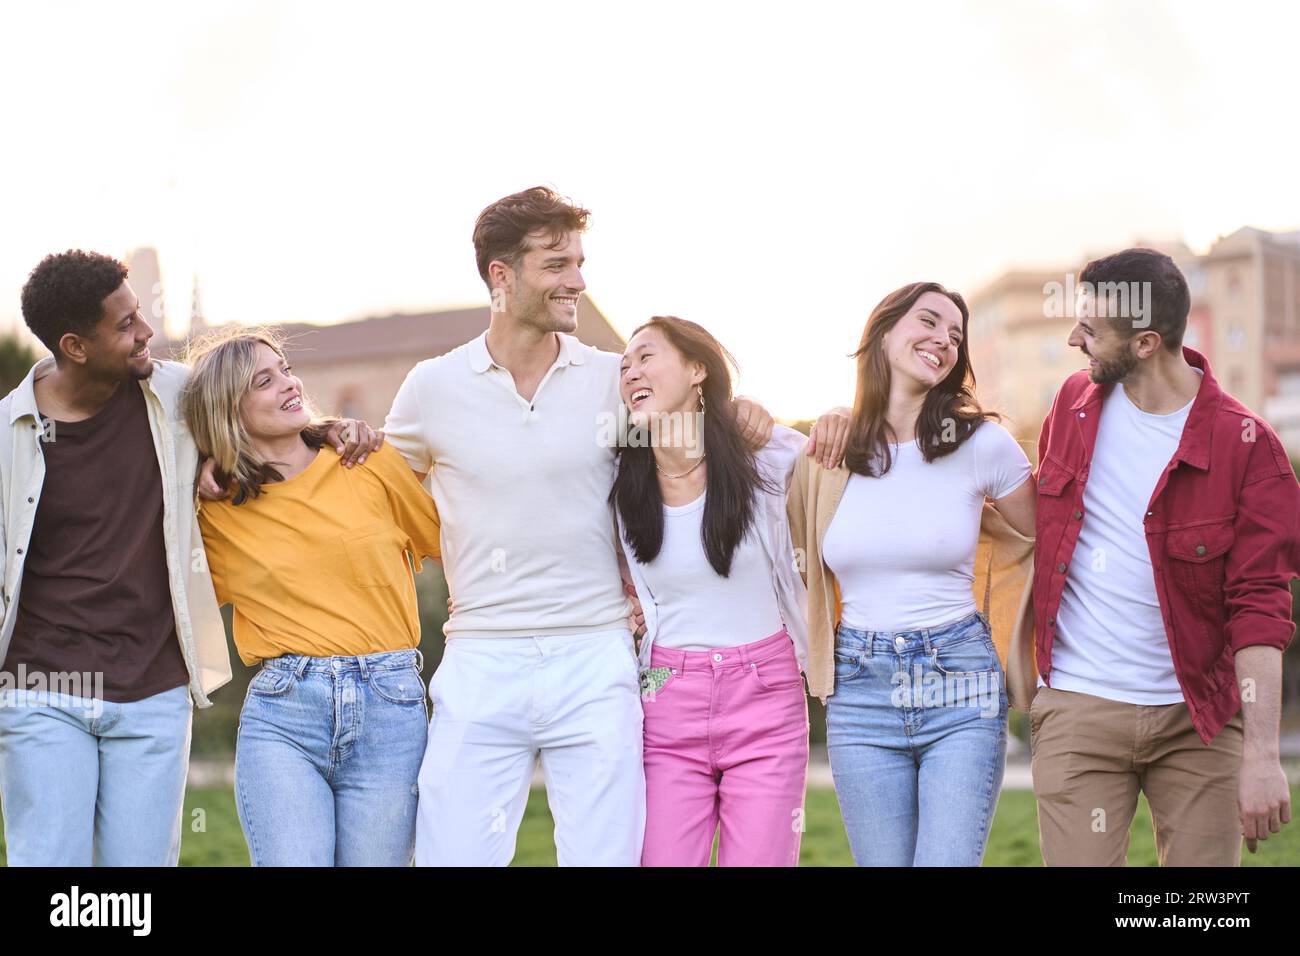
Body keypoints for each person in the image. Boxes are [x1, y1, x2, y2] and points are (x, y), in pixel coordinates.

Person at [385, 187, 815, 866]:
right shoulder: (432, 388)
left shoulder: (611, 380)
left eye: (580, 261)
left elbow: (690, 417)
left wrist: (745, 410)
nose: (578, 281)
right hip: (478, 657)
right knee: (452, 855)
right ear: (502, 276)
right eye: (557, 264)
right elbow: (367, 491)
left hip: (598, 658)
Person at [1028, 247, 1298, 866]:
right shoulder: (1071, 406)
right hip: (1080, 706)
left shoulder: (1246, 445)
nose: (1074, 340)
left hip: (1197, 717)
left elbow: (1260, 609)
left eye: (1089, 331)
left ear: (1146, 343)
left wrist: (1261, 755)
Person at [787, 281, 1036, 866]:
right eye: (928, 321)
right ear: (882, 332)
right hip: (858, 688)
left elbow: (1043, 544)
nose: (943, 340)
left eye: (955, 336)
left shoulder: (982, 445)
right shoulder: (828, 454)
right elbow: (779, 536)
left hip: (961, 681)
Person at [182, 328, 440, 866]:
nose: (290, 383)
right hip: (285, 714)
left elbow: (454, 549)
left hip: (390, 708)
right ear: (228, 409)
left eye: (285, 369)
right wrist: (194, 472)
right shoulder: (215, 510)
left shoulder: (367, 460)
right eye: (265, 380)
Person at [612, 316, 810, 866]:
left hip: (766, 693)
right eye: (624, 366)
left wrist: (837, 416)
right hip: (664, 695)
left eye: (646, 356)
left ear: (698, 369)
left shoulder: (764, 457)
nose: (631, 371)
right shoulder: (618, 482)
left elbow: (837, 466)